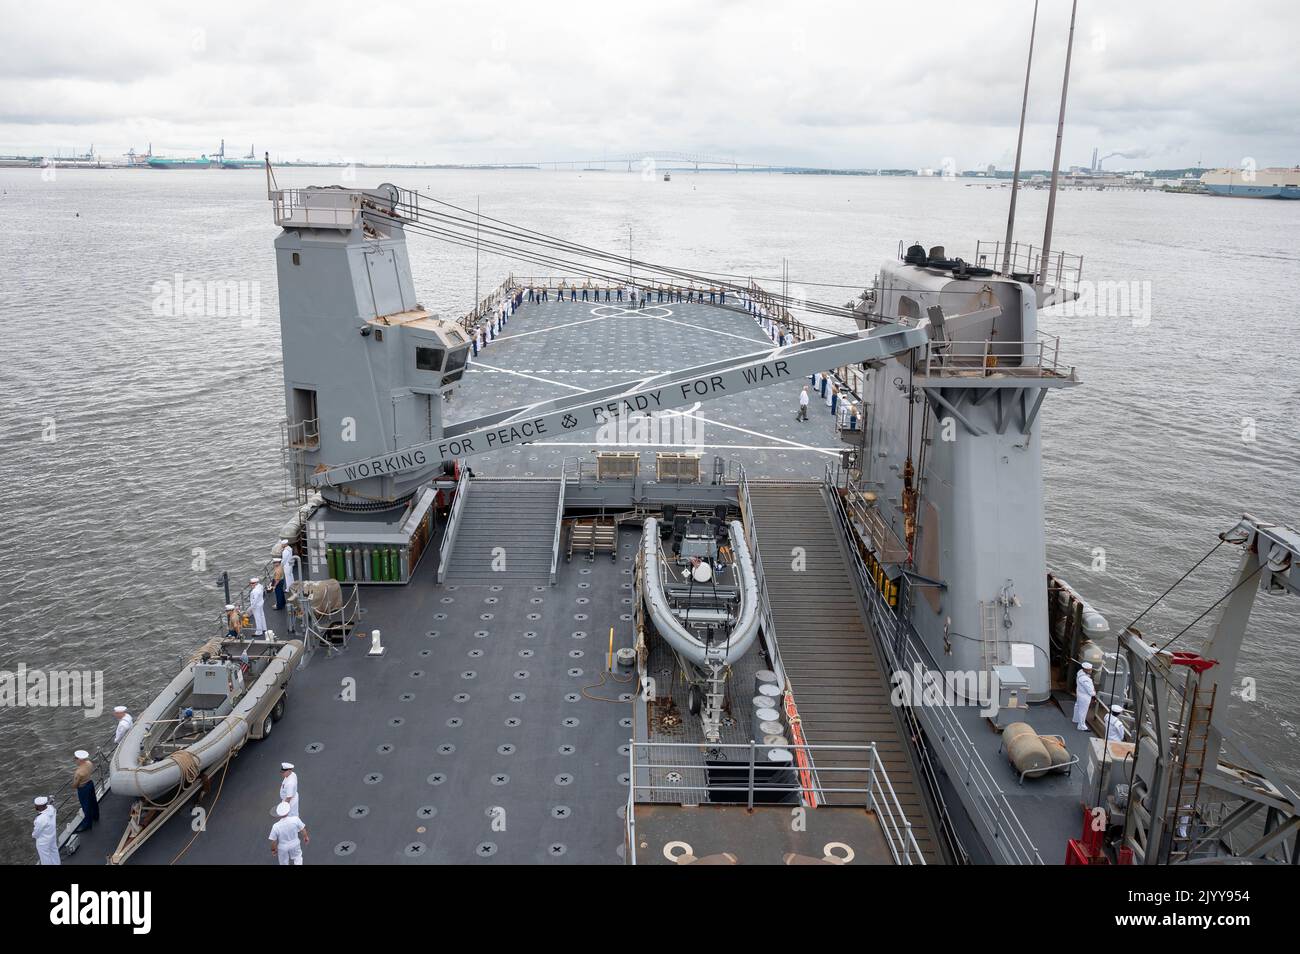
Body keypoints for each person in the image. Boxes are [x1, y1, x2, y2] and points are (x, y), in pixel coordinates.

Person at [71, 751, 98, 832]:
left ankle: (87, 825)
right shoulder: (89, 763)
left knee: (86, 806)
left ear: (80, 760)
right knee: (93, 802)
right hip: (90, 783)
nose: (74, 760)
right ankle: (96, 816)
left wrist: (73, 785)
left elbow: (75, 785)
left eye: (76, 758)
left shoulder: (79, 772)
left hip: (83, 788)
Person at [32, 797, 59, 865]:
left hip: (43, 841)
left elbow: (36, 833)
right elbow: (49, 806)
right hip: (52, 835)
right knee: (54, 851)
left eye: (36, 805)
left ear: (39, 806)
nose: (35, 806)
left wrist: (33, 835)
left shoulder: (40, 819)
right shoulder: (51, 808)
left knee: (45, 858)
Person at [1073, 662, 1096, 730]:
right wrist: (1094, 693)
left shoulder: (1080, 672)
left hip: (1079, 693)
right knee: (1083, 711)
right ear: (1086, 670)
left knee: (1077, 706)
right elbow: (1090, 691)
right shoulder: (1085, 679)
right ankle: (1081, 726)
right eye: (1090, 670)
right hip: (1085, 697)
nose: (1091, 671)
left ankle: (1076, 719)